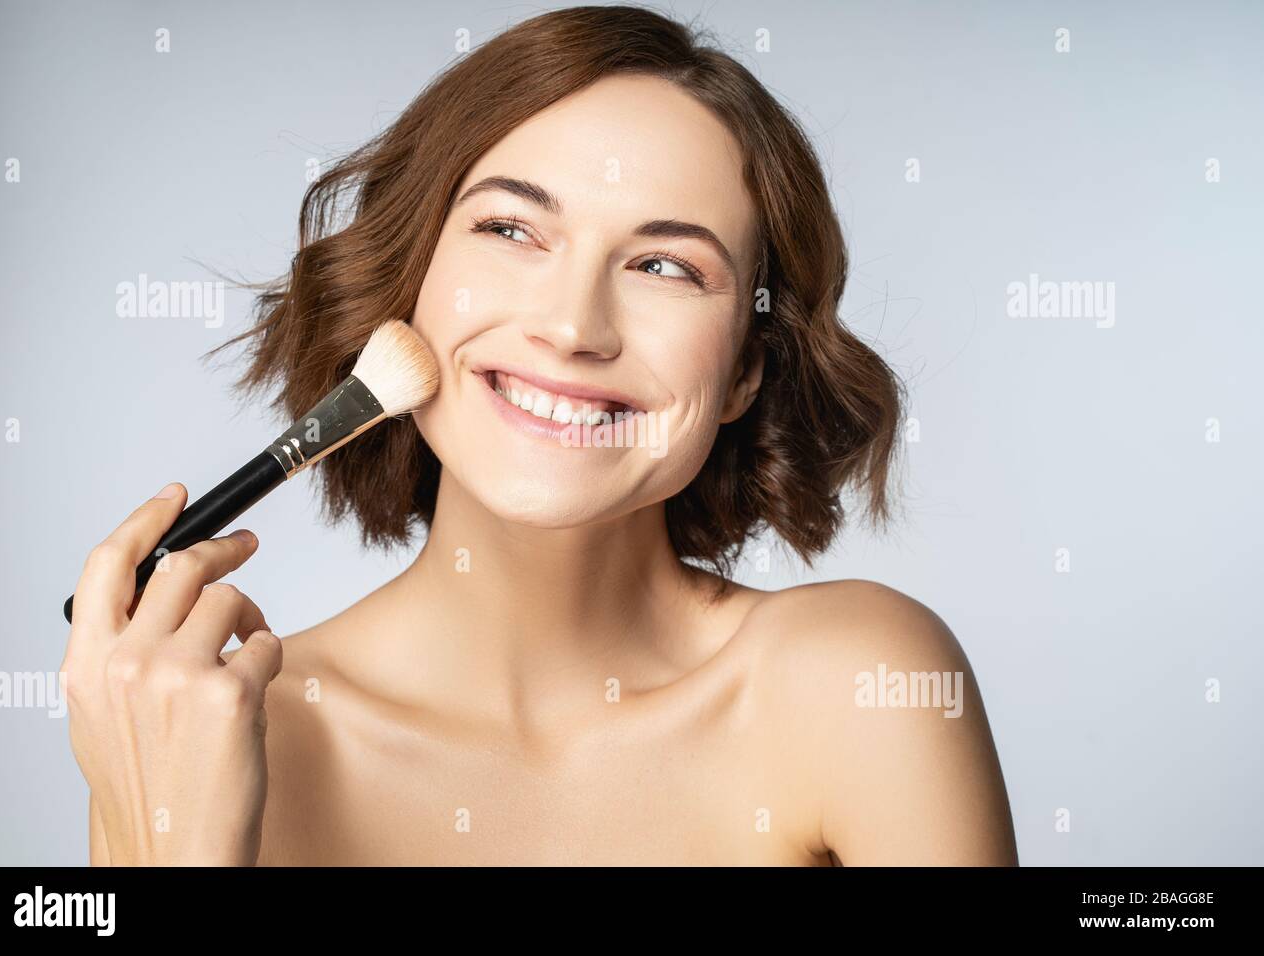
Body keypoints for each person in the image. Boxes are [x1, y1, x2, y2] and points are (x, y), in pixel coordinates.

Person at [62, 5, 1017, 866]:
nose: (571, 327)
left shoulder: (863, 683)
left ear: (742, 373)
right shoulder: (209, 728)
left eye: (665, 266)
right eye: (512, 230)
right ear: (410, 285)